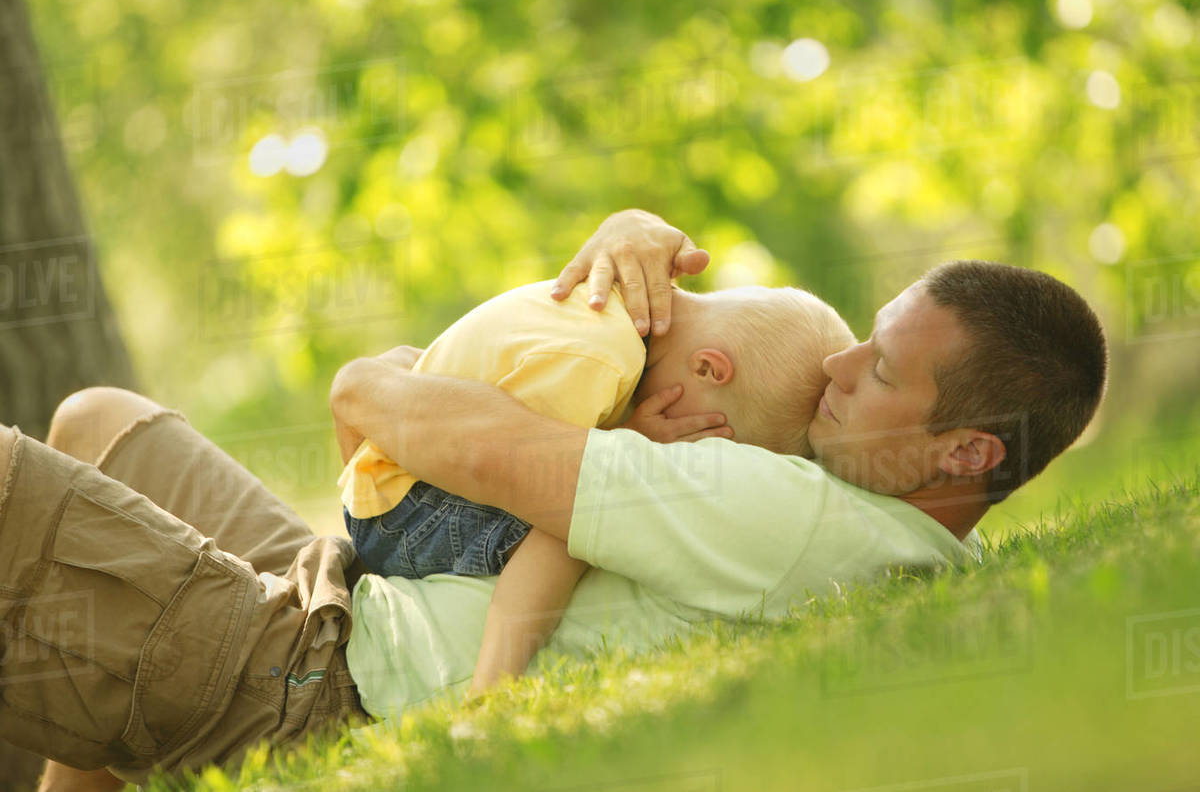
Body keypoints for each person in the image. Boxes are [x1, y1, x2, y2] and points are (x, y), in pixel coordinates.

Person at [8, 209, 1105, 791]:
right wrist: (627, 235)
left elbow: (412, 420)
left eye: (881, 370)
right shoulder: (879, 516)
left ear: (966, 452)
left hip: (316, 682)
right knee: (101, 422)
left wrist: (384, 376)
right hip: (352, 596)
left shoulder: (799, 517)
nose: (838, 363)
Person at [336, 277, 854, 695]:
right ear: (707, 368)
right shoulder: (600, 361)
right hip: (404, 510)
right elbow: (542, 472)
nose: (685, 451)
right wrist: (626, 443)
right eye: (706, 438)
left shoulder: (612, 303)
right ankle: (492, 687)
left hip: (389, 473)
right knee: (576, 516)